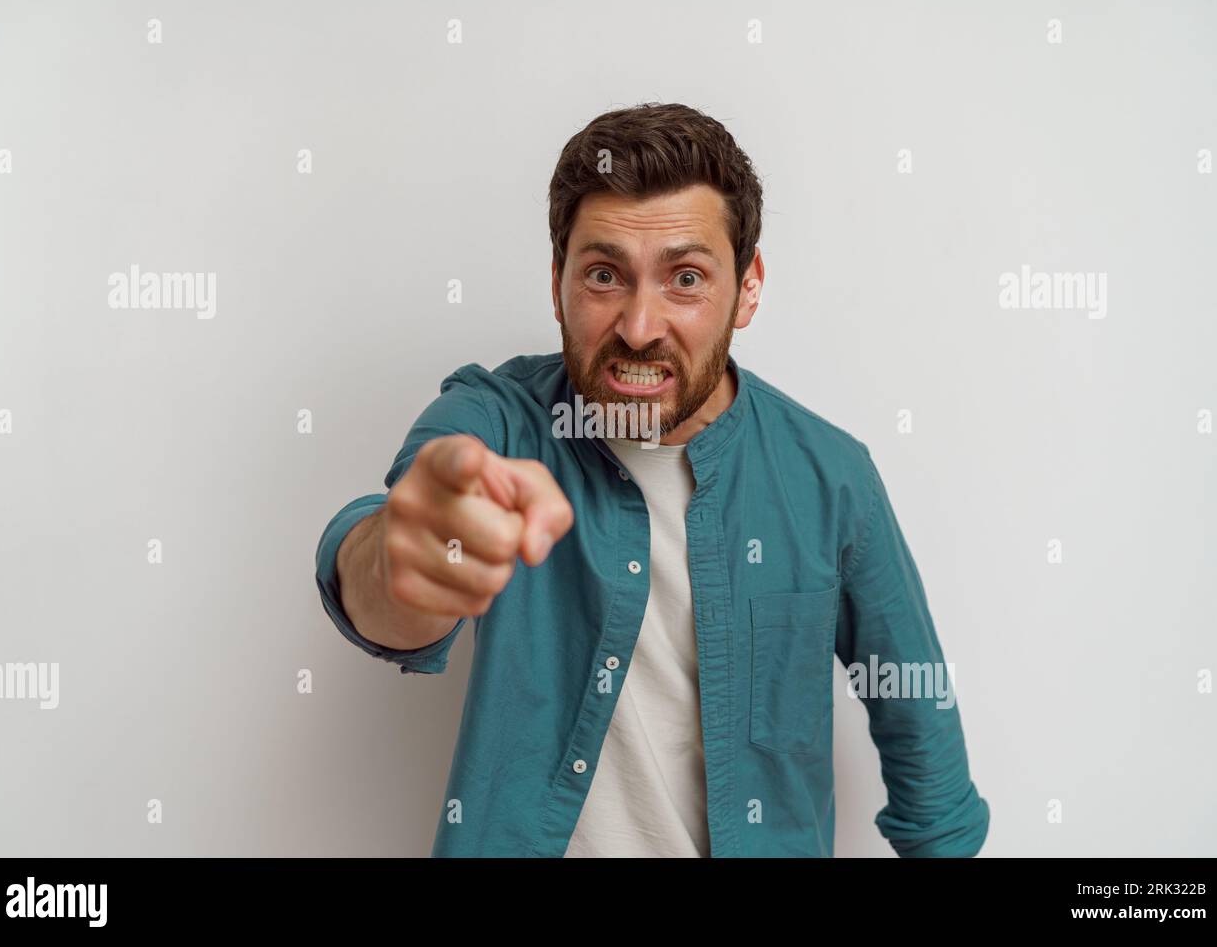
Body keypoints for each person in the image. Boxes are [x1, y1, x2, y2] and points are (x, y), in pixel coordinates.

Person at [315, 102, 989, 857]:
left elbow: (924, 743)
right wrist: (399, 557)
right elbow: (381, 568)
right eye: (605, 275)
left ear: (749, 287)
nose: (639, 326)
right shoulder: (494, 421)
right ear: (557, 281)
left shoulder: (831, 478)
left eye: (686, 278)